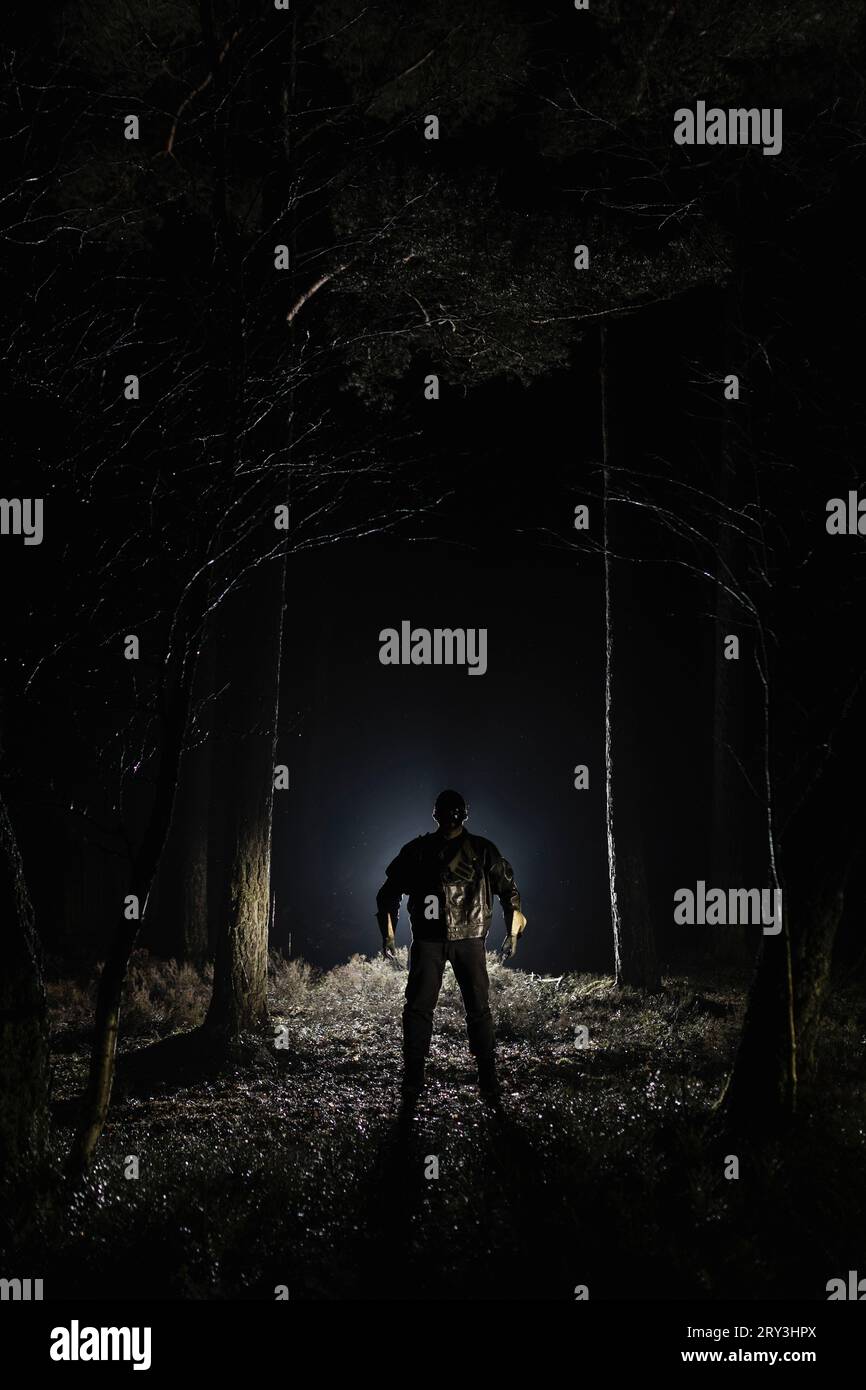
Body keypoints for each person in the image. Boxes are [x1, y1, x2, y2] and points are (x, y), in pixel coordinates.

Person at [375, 789, 526, 1102]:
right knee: (419, 1009)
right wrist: (388, 934)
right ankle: (415, 1075)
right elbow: (388, 893)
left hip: (468, 939)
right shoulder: (419, 850)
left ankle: (487, 1075)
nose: (450, 819)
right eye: (447, 812)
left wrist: (513, 933)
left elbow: (509, 892)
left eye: (454, 812)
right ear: (437, 814)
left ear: (461, 814)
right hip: (431, 941)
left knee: (477, 1010)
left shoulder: (482, 851)